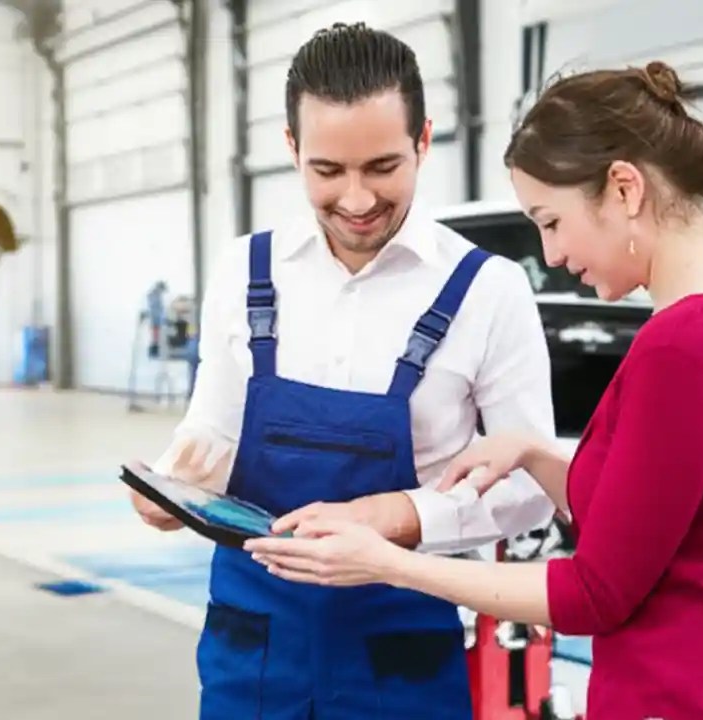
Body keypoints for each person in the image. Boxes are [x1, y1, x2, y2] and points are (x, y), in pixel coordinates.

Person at [246, 60, 703, 720]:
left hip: (678, 697)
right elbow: (661, 517)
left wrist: (386, 563)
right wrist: (533, 454)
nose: (550, 255)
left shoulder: (685, 344)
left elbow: (595, 592)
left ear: (624, 189)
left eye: (550, 221)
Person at [127, 22, 557, 719]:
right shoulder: (245, 269)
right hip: (251, 651)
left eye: (383, 167)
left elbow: (529, 491)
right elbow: (211, 425)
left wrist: (394, 517)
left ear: (424, 141)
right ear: (292, 150)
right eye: (327, 172)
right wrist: (177, 484)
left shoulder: (488, 289)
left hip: (400, 654)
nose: (356, 201)